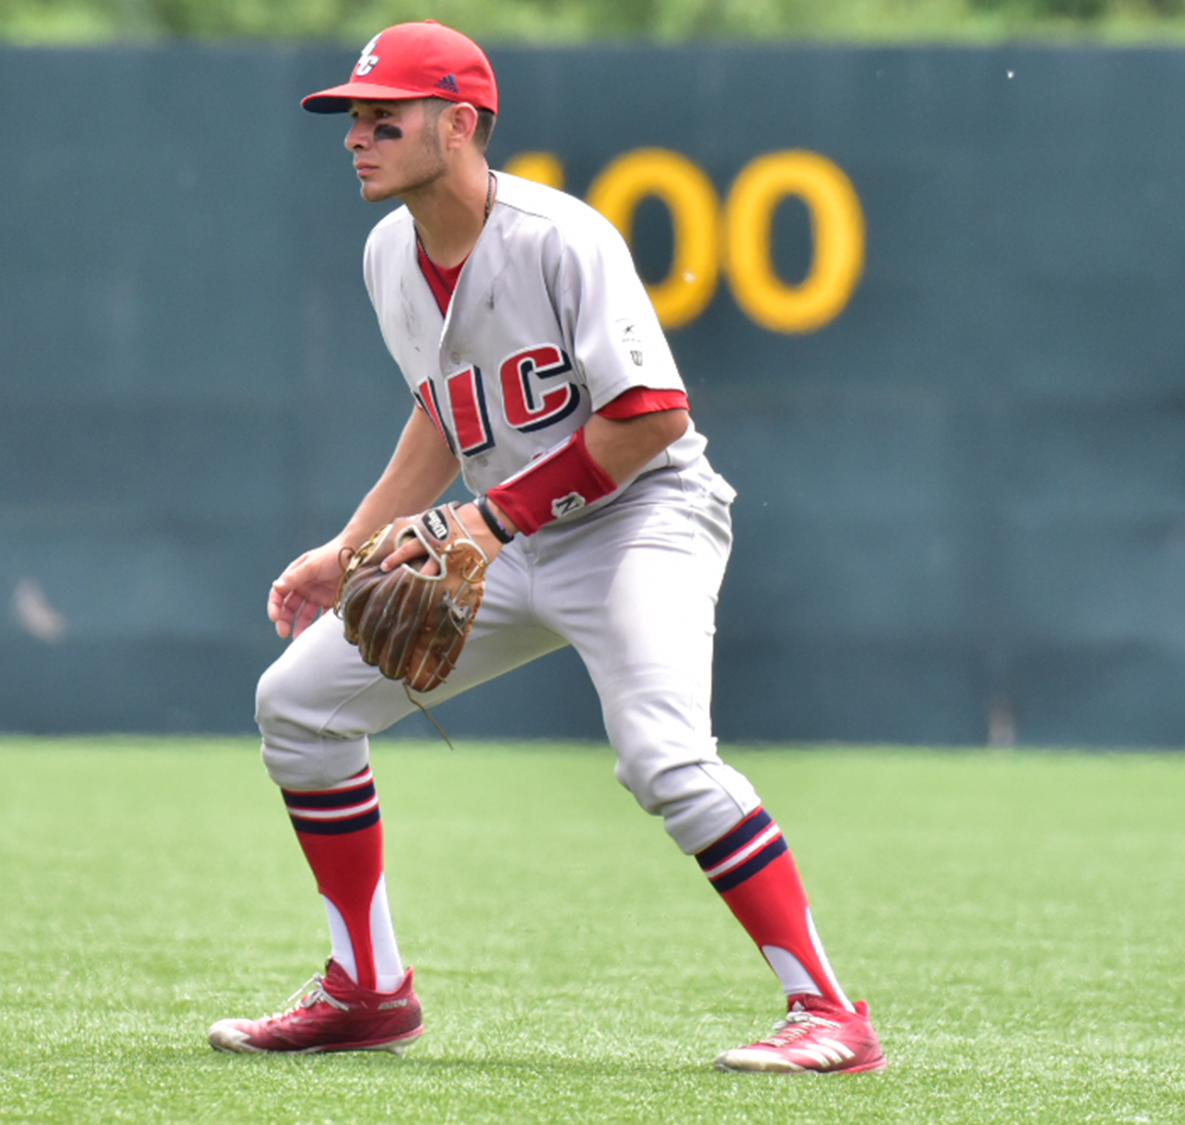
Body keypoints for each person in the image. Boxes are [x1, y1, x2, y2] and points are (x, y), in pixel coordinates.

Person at [205, 20, 883, 1075]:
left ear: (460, 123)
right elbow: (444, 417)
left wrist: (485, 521)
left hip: (640, 520)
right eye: (350, 118)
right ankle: (367, 990)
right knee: (297, 707)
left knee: (661, 758)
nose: (357, 137)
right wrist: (352, 548)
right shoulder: (390, 252)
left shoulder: (557, 236)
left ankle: (830, 1014)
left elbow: (649, 416)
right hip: (510, 537)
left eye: (384, 118)